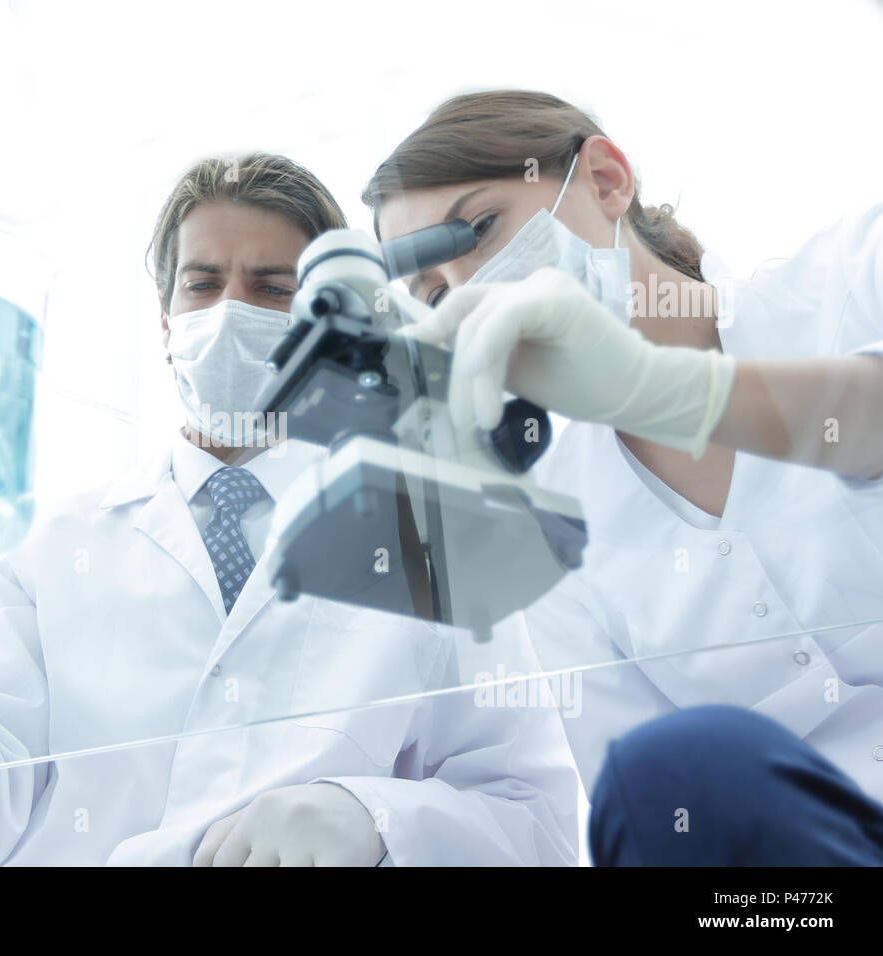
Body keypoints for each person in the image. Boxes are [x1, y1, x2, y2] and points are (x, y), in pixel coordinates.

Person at [0, 152, 580, 866]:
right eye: (203, 283)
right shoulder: (48, 551)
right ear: (165, 322)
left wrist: (377, 820)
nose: (231, 310)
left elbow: (539, 828)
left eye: (272, 287)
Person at [365, 89, 883, 864]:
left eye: (480, 230)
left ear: (606, 179)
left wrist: (660, 388)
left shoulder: (852, 276)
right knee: (666, 772)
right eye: (436, 293)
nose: (470, 290)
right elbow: (644, 804)